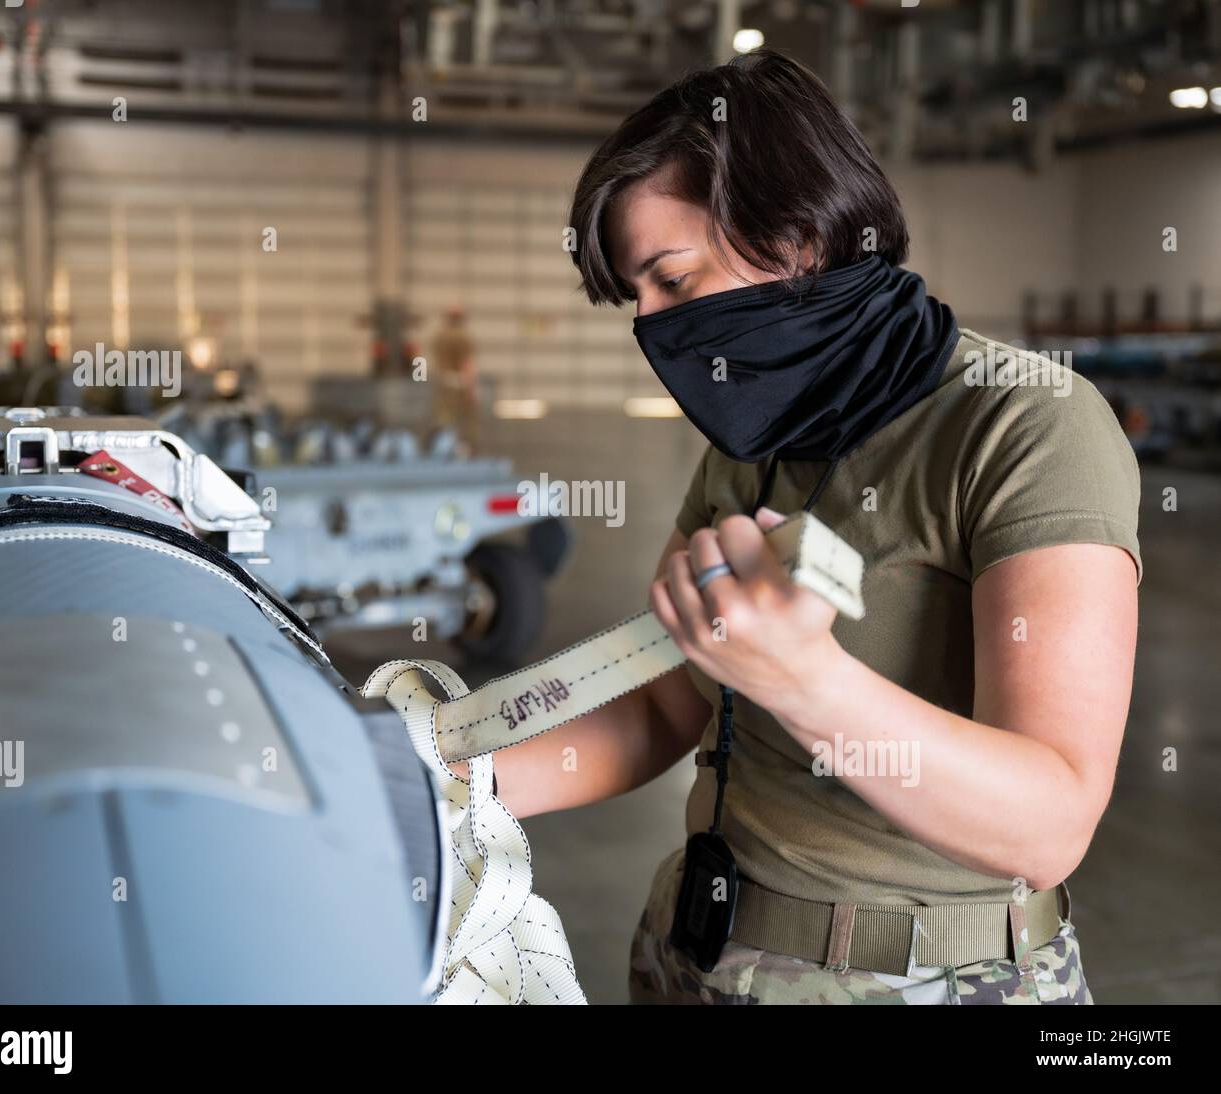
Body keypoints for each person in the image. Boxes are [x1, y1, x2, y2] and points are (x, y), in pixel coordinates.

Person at [486, 50, 1140, 1005]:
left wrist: (808, 682)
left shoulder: (1028, 423)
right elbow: (668, 705)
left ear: (795, 237)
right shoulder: (759, 429)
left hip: (920, 980)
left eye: (672, 280)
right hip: (701, 951)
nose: (656, 329)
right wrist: (447, 787)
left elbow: (1050, 821)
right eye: (639, 300)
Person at [429, 304, 479, 452]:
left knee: (443, 417)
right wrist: (471, 389)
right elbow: (466, 364)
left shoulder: (439, 336)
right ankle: (463, 450)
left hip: (441, 380)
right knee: (466, 420)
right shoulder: (462, 337)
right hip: (459, 382)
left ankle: (442, 449)